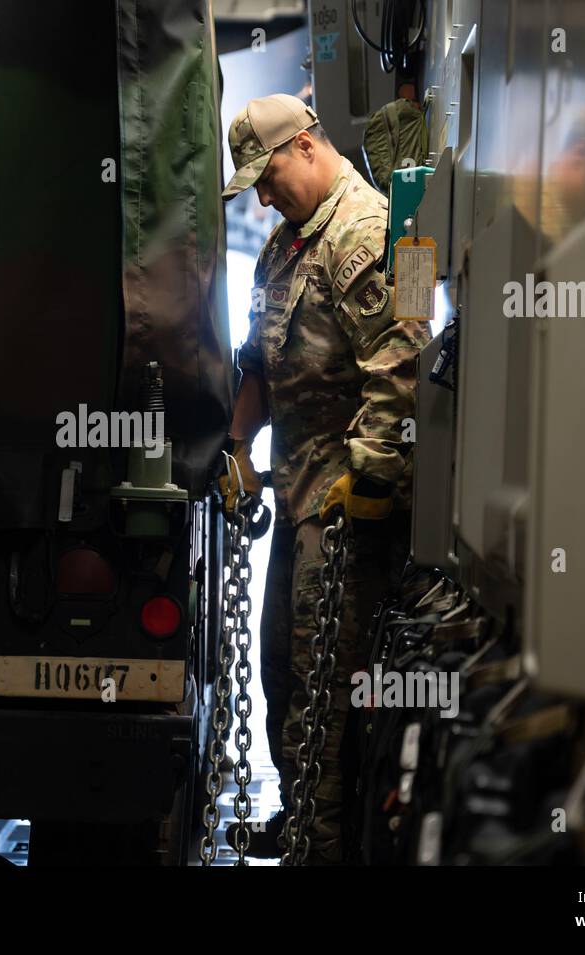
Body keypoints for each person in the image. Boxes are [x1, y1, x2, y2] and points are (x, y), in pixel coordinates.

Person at [217, 94, 428, 864]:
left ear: (306, 146)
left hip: (345, 510)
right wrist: (239, 444)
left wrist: (372, 474)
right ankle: (306, 819)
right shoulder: (285, 246)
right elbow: (256, 359)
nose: (264, 196)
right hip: (298, 494)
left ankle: (326, 845)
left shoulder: (378, 232)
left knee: (327, 696)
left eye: (267, 177)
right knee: (282, 670)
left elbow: (404, 357)